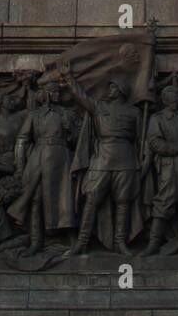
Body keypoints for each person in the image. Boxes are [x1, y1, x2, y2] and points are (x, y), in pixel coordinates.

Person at [60, 69, 141, 256]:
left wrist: (142, 158)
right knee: (92, 199)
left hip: (126, 159)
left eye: (113, 87)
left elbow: (140, 139)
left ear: (120, 90)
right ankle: (82, 242)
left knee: (123, 202)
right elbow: (80, 96)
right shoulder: (99, 106)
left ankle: (120, 242)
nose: (109, 90)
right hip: (102, 158)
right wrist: (69, 78)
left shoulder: (134, 112)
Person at [7, 84, 77, 253]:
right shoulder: (35, 115)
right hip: (39, 159)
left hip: (61, 159)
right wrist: (19, 168)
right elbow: (22, 141)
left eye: (58, 92)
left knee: (64, 199)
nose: (57, 95)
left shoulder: (67, 114)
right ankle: (36, 242)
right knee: (36, 199)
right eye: (53, 92)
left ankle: (70, 240)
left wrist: (71, 132)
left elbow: (76, 141)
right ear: (45, 94)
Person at [142, 85, 178, 256]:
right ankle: (154, 243)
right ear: (164, 99)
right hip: (170, 163)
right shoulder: (157, 118)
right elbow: (155, 142)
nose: (176, 98)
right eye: (172, 95)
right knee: (164, 201)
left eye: (177, 95)